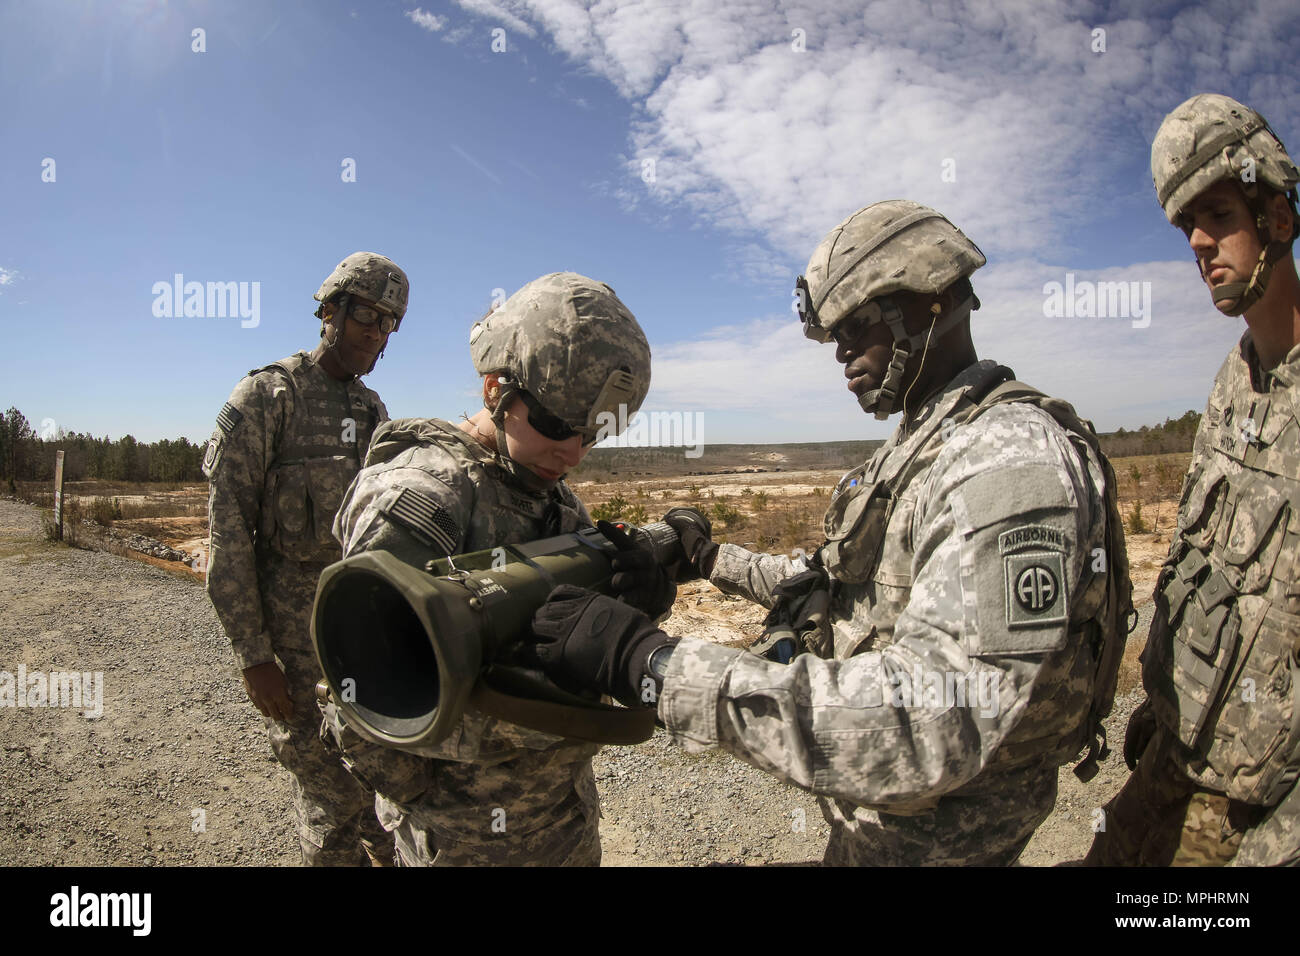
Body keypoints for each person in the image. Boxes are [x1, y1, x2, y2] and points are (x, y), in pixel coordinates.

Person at [526, 201, 1133, 866]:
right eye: (834, 335)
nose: (843, 352)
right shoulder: (921, 447)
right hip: (883, 827)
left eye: (857, 326)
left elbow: (932, 724)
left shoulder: (1007, 462)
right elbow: (839, 589)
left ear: (932, 300)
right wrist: (705, 557)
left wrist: (653, 664)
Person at [327, 271, 664, 866]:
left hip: (563, 816)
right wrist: (431, 805)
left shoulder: (554, 499)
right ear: (494, 388)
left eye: (592, 434)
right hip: (464, 841)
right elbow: (362, 710)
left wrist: (635, 604)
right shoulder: (424, 496)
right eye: (558, 425)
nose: (573, 453)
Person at [1085, 94, 1300, 867]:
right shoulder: (1233, 382)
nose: (1202, 244)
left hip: (1260, 805)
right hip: (1183, 752)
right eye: (1187, 230)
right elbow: (1195, 565)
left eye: (1218, 216)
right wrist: (1162, 699)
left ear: (1277, 217)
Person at [202, 251, 409, 865]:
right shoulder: (269, 397)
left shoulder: (372, 413)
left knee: (378, 783)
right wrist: (252, 655)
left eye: (388, 322)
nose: (374, 332)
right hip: (292, 655)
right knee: (330, 799)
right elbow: (228, 533)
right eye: (365, 315)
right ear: (330, 311)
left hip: (359, 642)